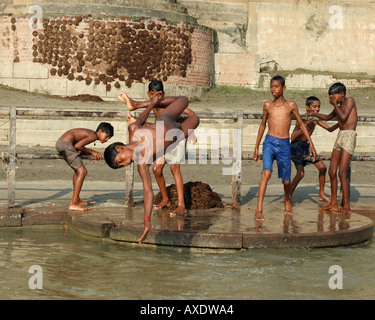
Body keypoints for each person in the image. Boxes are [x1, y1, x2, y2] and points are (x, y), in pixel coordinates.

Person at [104, 93, 199, 244]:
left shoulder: (134, 129)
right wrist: (146, 219)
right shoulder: (142, 163)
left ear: (119, 148)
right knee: (196, 119)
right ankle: (139, 104)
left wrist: (153, 104)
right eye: (121, 166)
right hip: (177, 134)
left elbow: (141, 119)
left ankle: (135, 104)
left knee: (184, 99)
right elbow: (148, 191)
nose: (126, 164)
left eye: (120, 161)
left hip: (165, 119)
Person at [118, 79, 196, 215]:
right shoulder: (153, 105)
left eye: (158, 94)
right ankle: (166, 199)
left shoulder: (167, 103)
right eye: (152, 93)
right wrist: (137, 122)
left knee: (174, 167)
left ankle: (181, 205)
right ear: (148, 94)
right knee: (156, 169)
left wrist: (191, 132)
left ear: (163, 94)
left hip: (175, 135)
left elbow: (190, 114)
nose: (155, 96)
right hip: (161, 141)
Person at [253, 75, 317, 221]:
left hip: (284, 145)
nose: (273, 89)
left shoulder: (291, 105)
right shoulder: (267, 105)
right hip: (269, 142)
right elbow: (263, 124)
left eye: (276, 86)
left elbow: (301, 124)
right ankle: (258, 209)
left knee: (286, 181)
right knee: (266, 173)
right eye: (271, 87)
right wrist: (256, 147)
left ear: (283, 88)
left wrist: (311, 144)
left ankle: (287, 200)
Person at [314, 82, 358, 214]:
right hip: (340, 136)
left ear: (342, 94)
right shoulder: (338, 106)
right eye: (330, 98)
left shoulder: (350, 100)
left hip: (349, 136)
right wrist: (314, 114)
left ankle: (346, 205)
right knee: (332, 171)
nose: (331, 100)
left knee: (342, 172)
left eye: (333, 97)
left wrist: (334, 105)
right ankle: (333, 203)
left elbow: (344, 118)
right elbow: (328, 117)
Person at [289, 96, 339, 205]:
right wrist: (304, 125)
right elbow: (292, 137)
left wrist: (341, 123)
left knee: (323, 168)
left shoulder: (316, 120)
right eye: (314, 107)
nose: (317, 109)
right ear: (307, 107)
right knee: (300, 173)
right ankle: (288, 196)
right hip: (296, 147)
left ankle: (321, 194)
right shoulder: (302, 118)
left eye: (318, 107)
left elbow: (329, 129)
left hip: (307, 146)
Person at [55, 122, 114, 211]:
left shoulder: (92, 134)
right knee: (82, 172)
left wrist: (90, 153)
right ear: (100, 131)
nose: (107, 139)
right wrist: (92, 152)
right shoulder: (93, 135)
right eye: (107, 136)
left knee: (77, 172)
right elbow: (78, 146)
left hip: (63, 144)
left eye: (109, 138)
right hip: (65, 145)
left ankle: (77, 200)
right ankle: (73, 203)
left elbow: (78, 147)